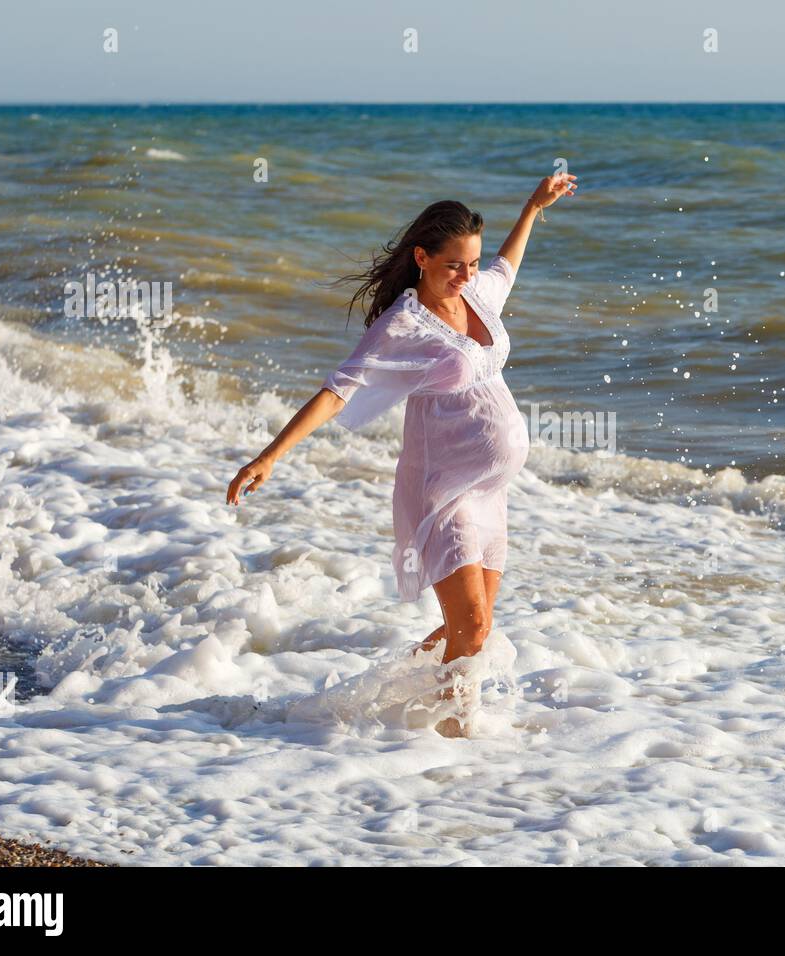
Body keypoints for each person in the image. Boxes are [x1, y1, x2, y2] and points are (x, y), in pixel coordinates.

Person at [226, 173, 577, 732]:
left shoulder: (479, 296)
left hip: (490, 494)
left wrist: (534, 206)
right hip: (442, 492)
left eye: (471, 263)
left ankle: (403, 706)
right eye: (454, 265)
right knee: (473, 626)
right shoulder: (404, 324)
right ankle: (449, 729)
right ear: (422, 257)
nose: (466, 276)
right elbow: (338, 389)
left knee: (473, 629)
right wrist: (270, 455)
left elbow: (507, 265)